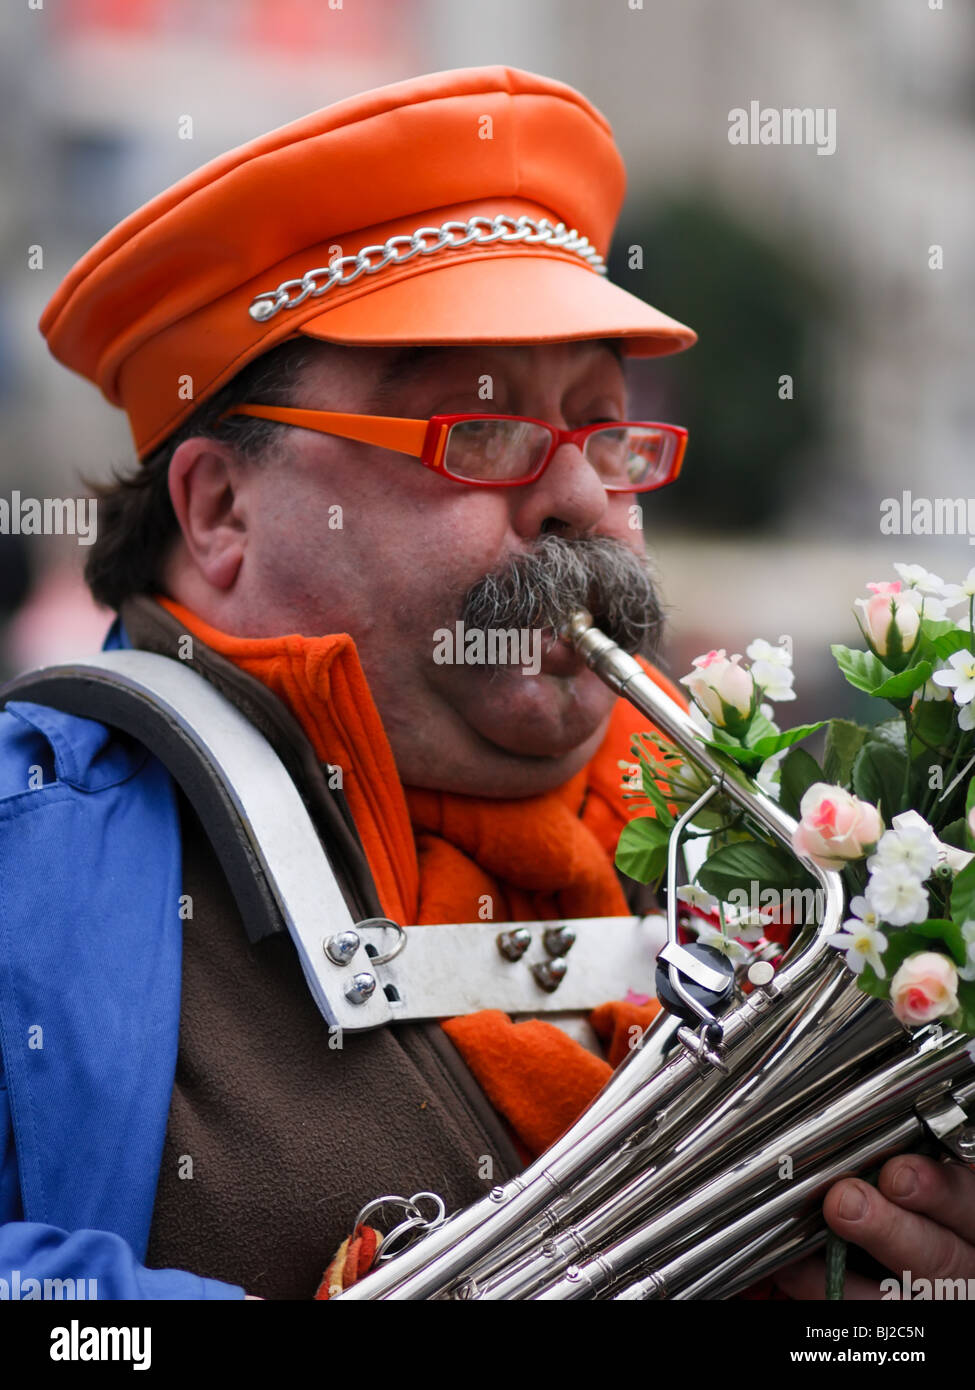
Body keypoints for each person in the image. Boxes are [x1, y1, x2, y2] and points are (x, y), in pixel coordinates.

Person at [2, 64, 972, 1302]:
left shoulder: (759, 852)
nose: (579, 497)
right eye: (481, 429)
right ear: (220, 507)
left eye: (603, 429)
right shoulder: (25, 849)